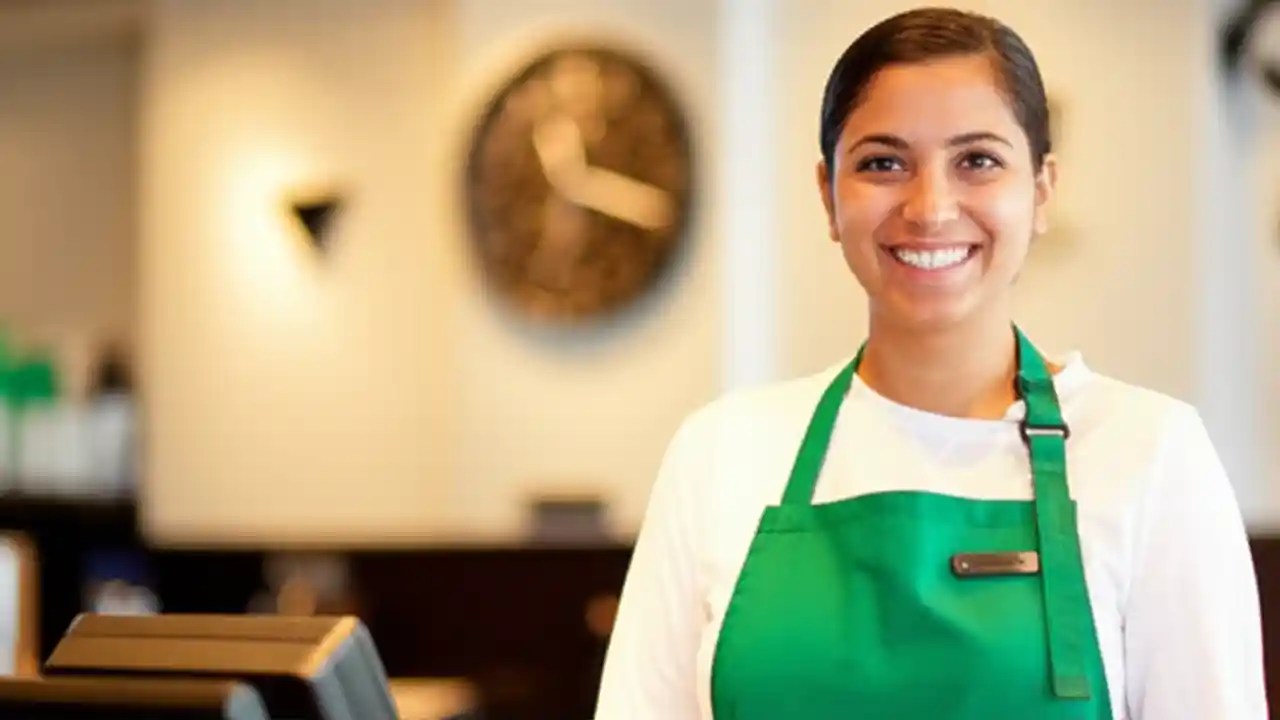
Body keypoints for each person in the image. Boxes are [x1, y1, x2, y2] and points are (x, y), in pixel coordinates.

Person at [593, 7, 1268, 720]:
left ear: (1040, 191)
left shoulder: (1149, 454)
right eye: (884, 163)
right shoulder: (721, 453)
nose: (930, 206)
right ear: (828, 196)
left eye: (977, 160)